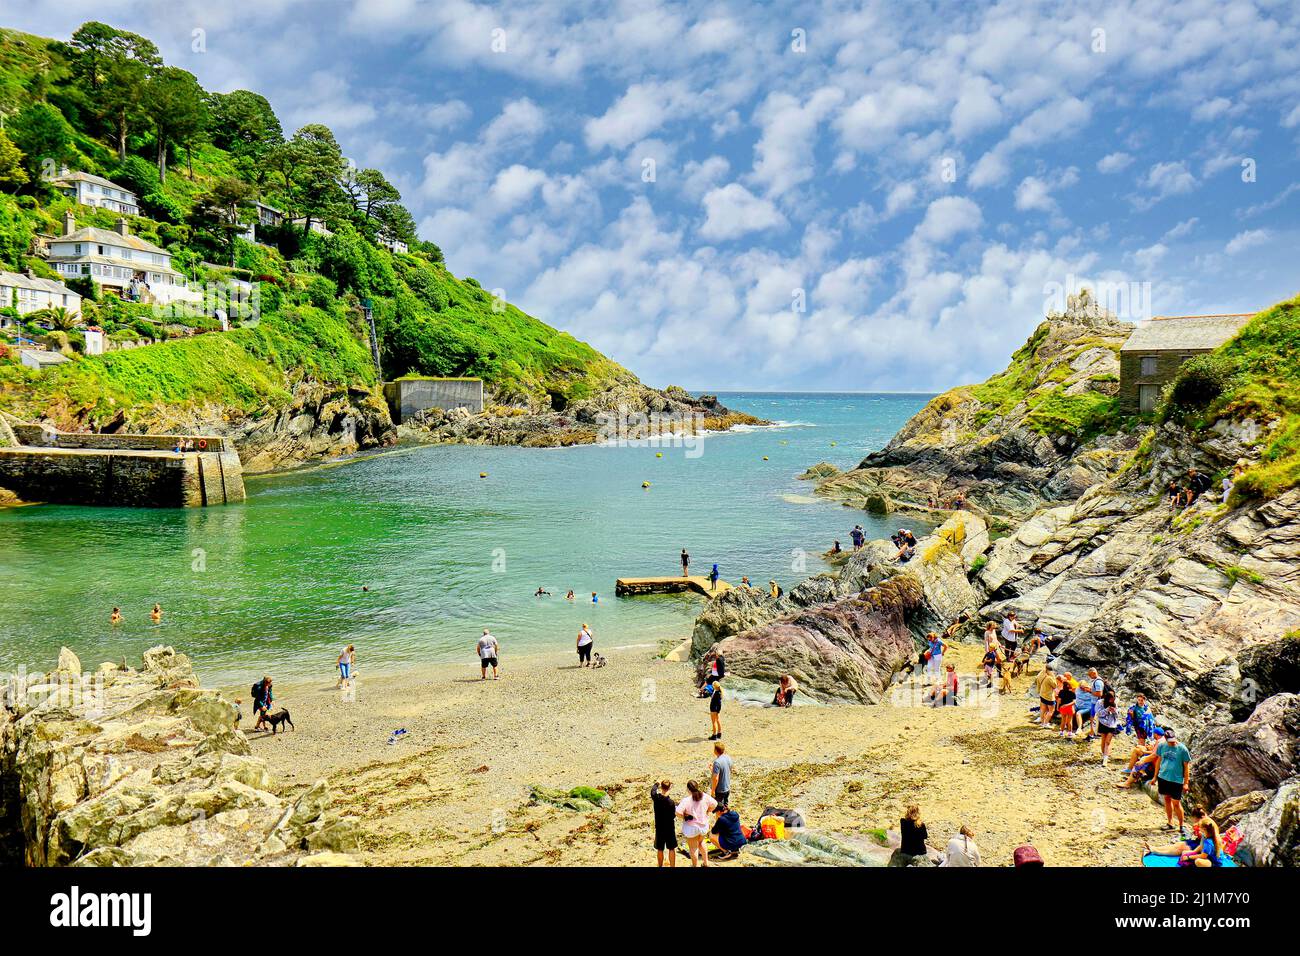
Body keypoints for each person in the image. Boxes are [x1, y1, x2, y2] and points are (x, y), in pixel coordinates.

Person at [1144, 806, 1226, 867]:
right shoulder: (1204, 827)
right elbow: (1201, 843)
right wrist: (1193, 851)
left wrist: (1190, 856)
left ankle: (1156, 851)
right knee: (1179, 845)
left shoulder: (1209, 828)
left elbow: (1206, 847)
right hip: (1200, 845)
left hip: (1207, 854)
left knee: (1181, 849)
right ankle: (1155, 848)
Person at [1152, 726, 1192, 833]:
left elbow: (1186, 766)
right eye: (1170, 741)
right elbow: (1159, 761)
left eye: (1173, 740)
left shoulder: (1182, 749)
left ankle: (1181, 825)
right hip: (1163, 777)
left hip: (1176, 780)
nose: (1172, 742)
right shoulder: (1161, 746)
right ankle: (1170, 823)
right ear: (1165, 739)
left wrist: (1186, 783)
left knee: (1176, 802)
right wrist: (1155, 776)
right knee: (1167, 799)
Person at [676, 781, 717, 867]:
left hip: (692, 828)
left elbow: (678, 812)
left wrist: (685, 816)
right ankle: (706, 863)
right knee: (701, 842)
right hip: (703, 826)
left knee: (693, 848)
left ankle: (695, 865)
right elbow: (715, 804)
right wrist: (708, 810)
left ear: (688, 789)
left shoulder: (686, 800)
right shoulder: (705, 796)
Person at [650, 780, 677, 867]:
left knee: (660, 849)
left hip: (659, 827)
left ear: (661, 787)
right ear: (669, 788)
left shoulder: (656, 798)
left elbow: (653, 791)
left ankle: (660, 865)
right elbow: (673, 815)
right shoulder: (671, 802)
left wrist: (656, 783)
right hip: (669, 827)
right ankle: (672, 866)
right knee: (671, 848)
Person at [1095, 690, 1121, 764]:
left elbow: (1117, 715)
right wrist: (1107, 710)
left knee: (1108, 741)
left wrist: (1114, 711)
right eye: (1110, 699)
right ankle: (1104, 756)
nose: (1111, 700)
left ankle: (1105, 759)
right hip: (1102, 723)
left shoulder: (1115, 702)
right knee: (1103, 740)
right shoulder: (1100, 702)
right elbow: (1098, 713)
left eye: (1113, 699)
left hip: (1112, 724)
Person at [710, 742, 733, 810]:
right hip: (727, 788)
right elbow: (728, 770)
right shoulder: (728, 758)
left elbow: (715, 779)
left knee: (719, 810)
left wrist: (713, 791)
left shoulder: (717, 762)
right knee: (725, 808)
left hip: (719, 790)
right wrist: (712, 769)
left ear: (715, 751)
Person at [1055, 673, 1077, 737]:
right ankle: (1070, 733)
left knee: (1063, 720)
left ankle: (1061, 732)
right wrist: (1067, 705)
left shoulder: (1061, 692)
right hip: (1070, 708)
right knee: (1069, 721)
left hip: (1062, 708)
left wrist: (1057, 707)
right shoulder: (1072, 693)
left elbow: (1059, 700)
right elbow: (1074, 702)